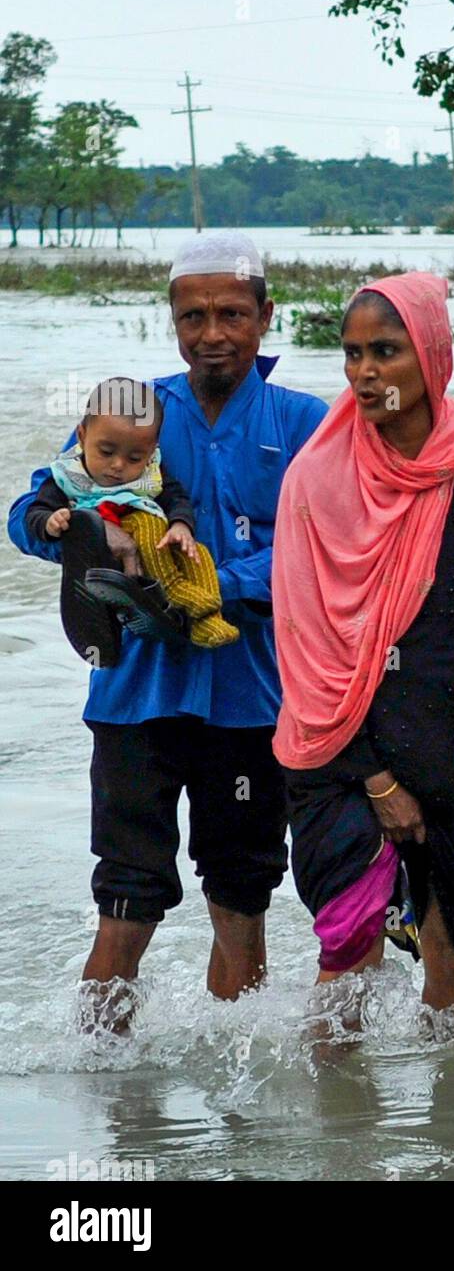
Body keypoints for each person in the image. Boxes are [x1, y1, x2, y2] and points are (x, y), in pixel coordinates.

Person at [7, 231, 327, 1032]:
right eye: (193, 316)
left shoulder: (308, 424)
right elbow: (25, 514)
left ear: (265, 316)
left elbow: (330, 547)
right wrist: (72, 532)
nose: (211, 332)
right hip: (132, 701)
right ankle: (103, 1087)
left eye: (230, 313)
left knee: (240, 894)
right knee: (127, 895)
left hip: (253, 702)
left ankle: (235, 1089)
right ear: (173, 321)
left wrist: (221, 582)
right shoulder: (128, 413)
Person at [271, 271, 454, 1027]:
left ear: (431, 355)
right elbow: (305, 649)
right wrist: (378, 779)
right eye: (352, 354)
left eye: (384, 351)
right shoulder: (316, 480)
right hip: (338, 754)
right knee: (348, 963)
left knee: (453, 964)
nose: (364, 372)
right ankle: (343, 1140)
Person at [25, 376, 238, 651]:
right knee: (147, 524)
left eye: (135, 458)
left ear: (152, 453)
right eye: (106, 451)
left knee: (198, 555)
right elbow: (34, 513)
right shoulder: (68, 475)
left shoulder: (151, 475)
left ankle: (208, 618)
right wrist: (50, 523)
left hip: (162, 545)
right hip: (114, 550)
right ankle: (173, 593)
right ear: (82, 436)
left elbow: (176, 498)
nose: (117, 465)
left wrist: (180, 526)